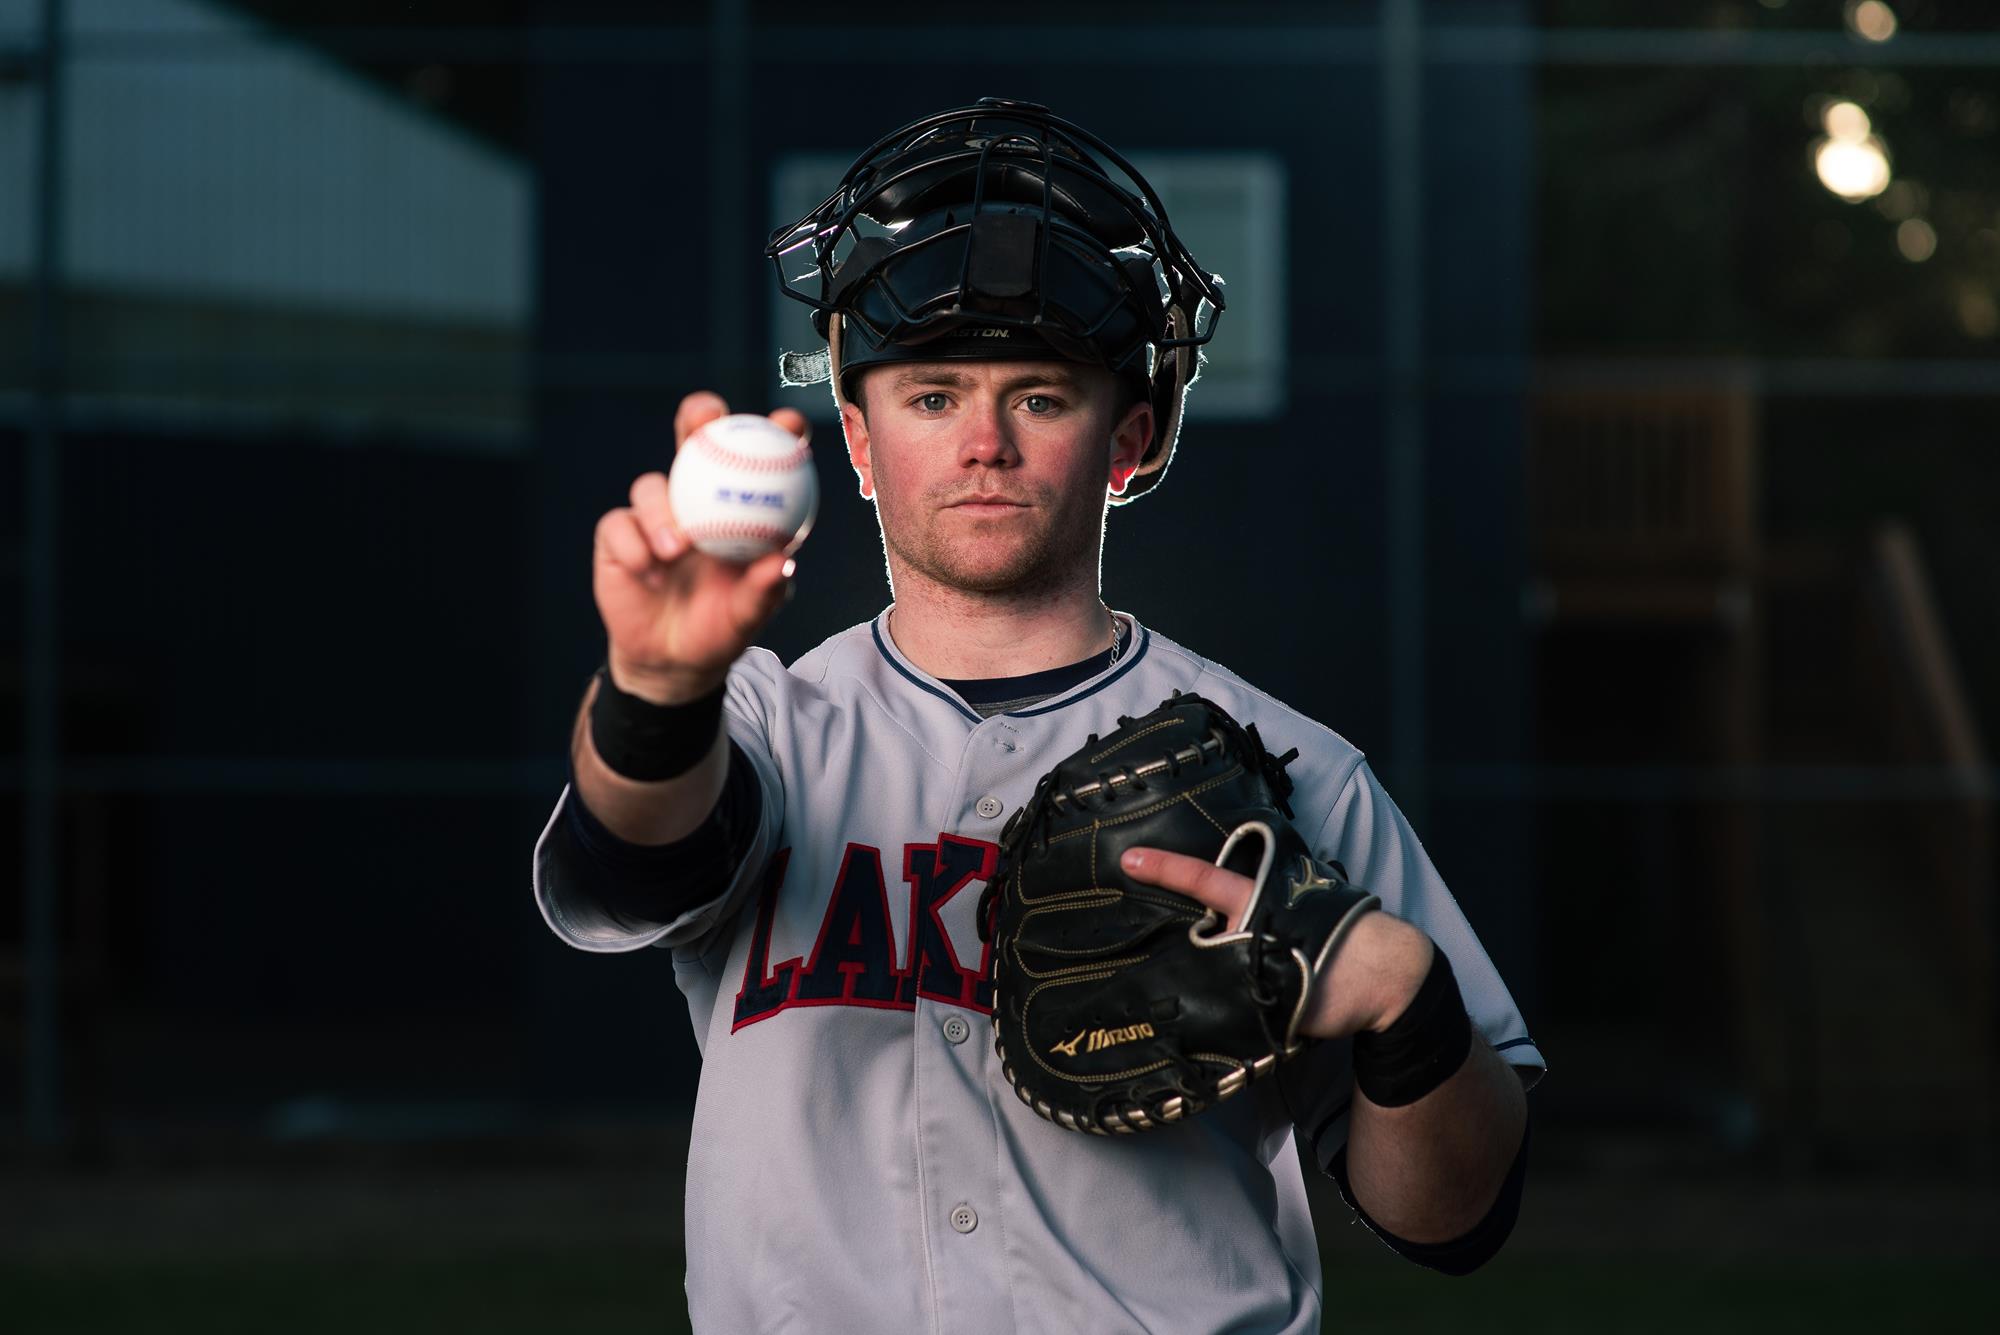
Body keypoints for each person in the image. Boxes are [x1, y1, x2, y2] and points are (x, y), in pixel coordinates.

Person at [532, 99, 1542, 1334]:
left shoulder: (1293, 773)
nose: (984, 444)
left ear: (1128, 439)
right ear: (857, 443)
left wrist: (1409, 1003)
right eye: (931, 396)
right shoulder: (762, 728)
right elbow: (634, 852)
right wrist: (656, 687)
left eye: (1041, 398)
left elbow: (1453, 1218)